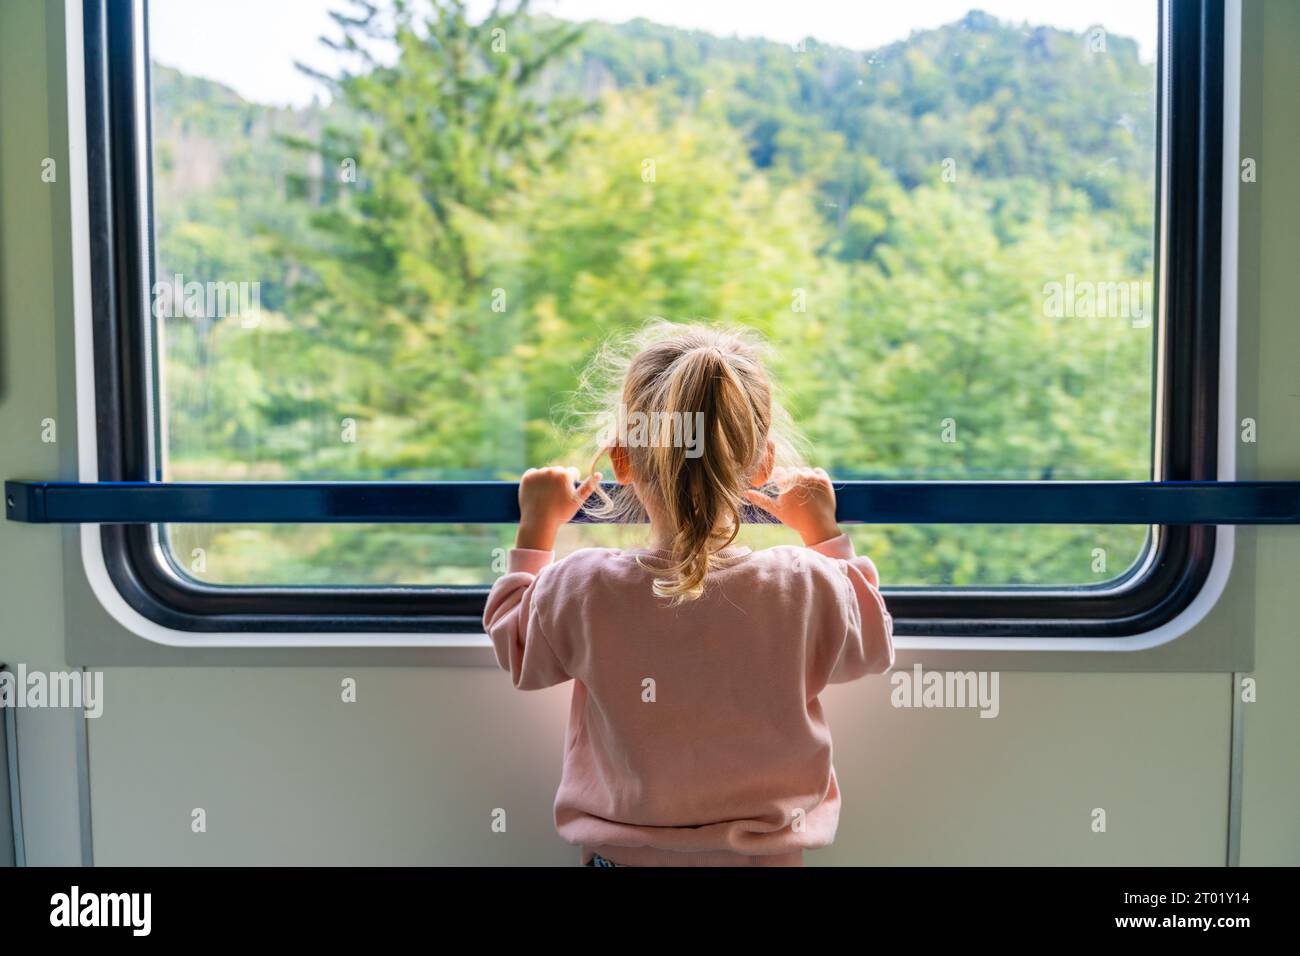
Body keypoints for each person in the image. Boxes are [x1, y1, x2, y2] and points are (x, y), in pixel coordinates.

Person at [484, 321, 894, 866]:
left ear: (622, 461)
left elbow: (518, 653)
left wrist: (536, 528)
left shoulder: (580, 586)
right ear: (764, 464)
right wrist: (824, 532)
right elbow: (872, 642)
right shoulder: (805, 583)